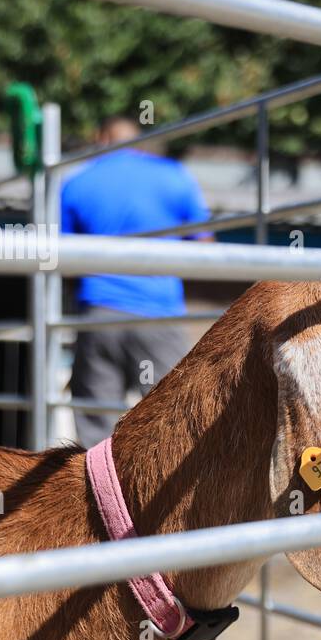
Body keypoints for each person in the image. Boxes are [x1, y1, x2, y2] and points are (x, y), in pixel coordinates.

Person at [60, 116, 211, 446]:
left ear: (101, 138)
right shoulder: (174, 177)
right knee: (170, 418)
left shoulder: (76, 182)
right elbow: (204, 246)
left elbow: (63, 259)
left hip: (98, 314)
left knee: (95, 422)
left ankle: (96, 494)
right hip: (159, 314)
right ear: (139, 141)